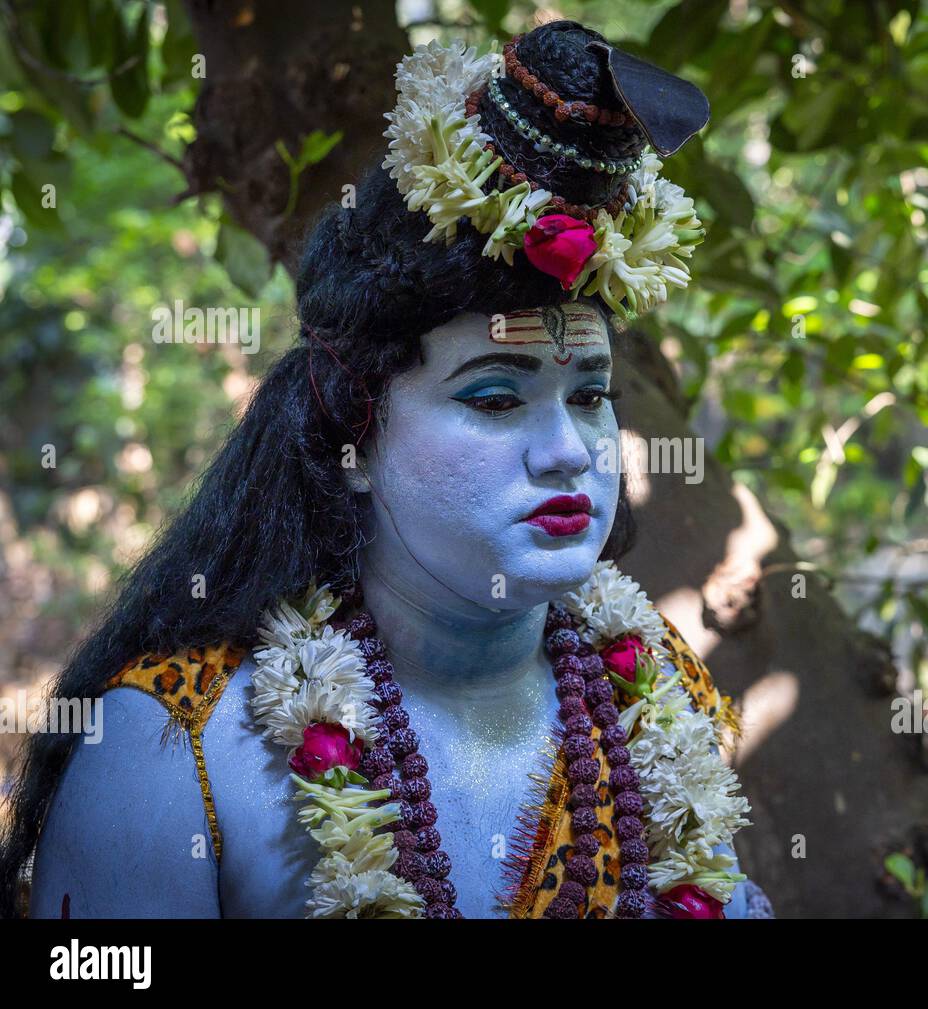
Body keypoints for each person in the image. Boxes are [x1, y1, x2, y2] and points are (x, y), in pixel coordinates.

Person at [1, 19, 767, 919]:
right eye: (494, 398)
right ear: (352, 436)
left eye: (590, 394)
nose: (569, 449)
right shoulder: (170, 746)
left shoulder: (658, 689)